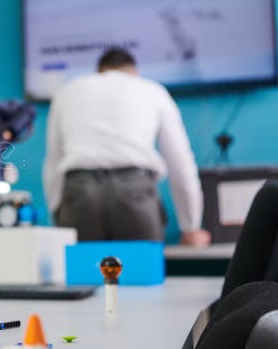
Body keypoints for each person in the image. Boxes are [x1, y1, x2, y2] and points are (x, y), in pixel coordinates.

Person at [42, 48, 210, 245]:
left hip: (80, 194)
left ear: (99, 70)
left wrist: (57, 215)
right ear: (133, 71)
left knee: (82, 273)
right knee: (140, 272)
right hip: (135, 193)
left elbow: (53, 162)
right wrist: (191, 226)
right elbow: (180, 162)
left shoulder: (67, 91)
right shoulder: (152, 90)